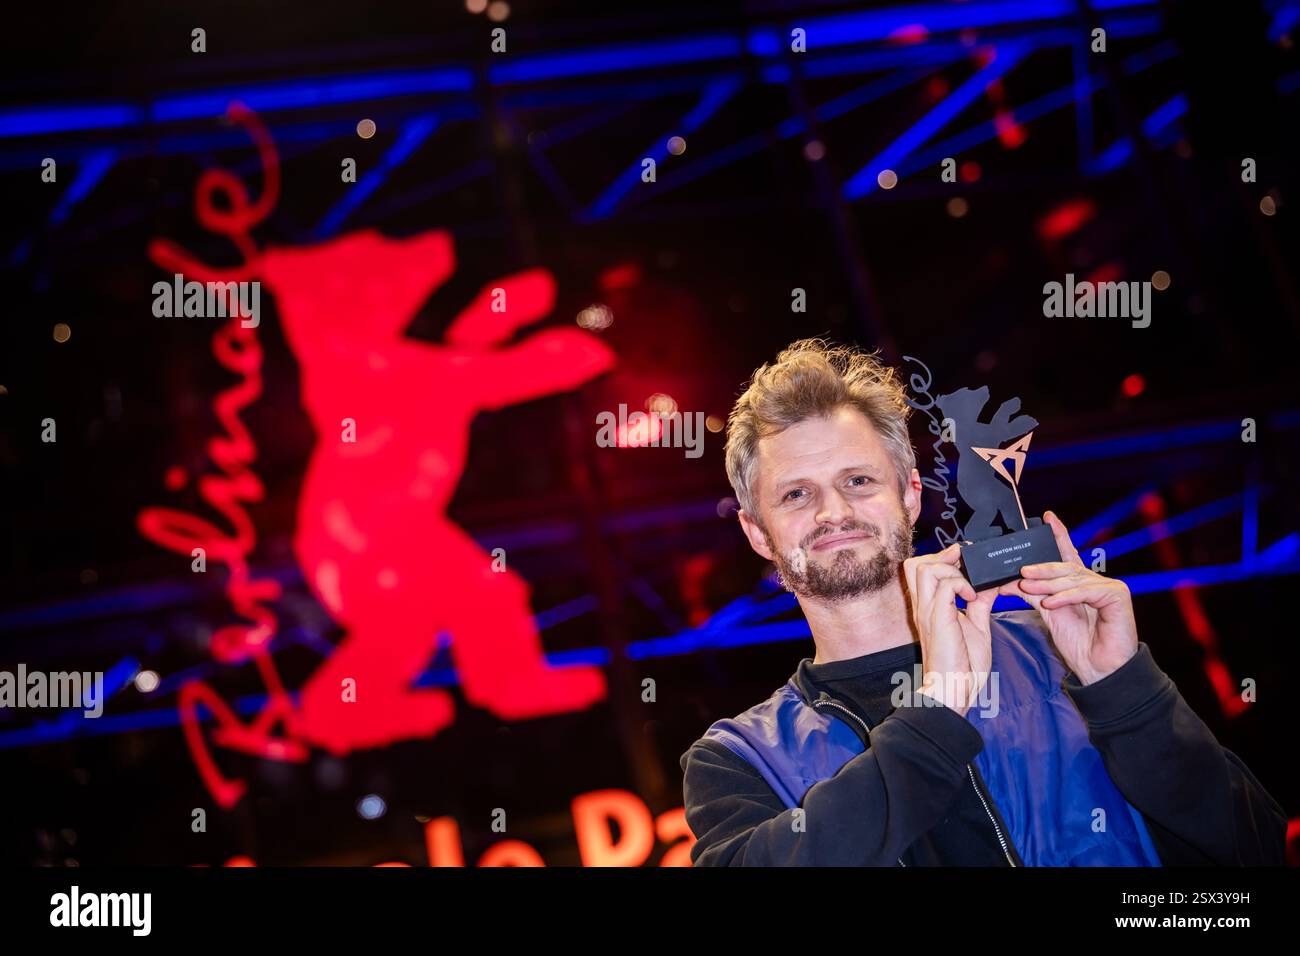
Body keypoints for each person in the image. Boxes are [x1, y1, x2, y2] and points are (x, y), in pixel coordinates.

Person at [680, 338, 1287, 866]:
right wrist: (937, 712)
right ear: (759, 533)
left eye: (858, 481)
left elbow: (1252, 851)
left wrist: (1126, 693)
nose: (833, 512)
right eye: (796, 494)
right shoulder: (737, 761)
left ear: (912, 495)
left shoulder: (1062, 653)